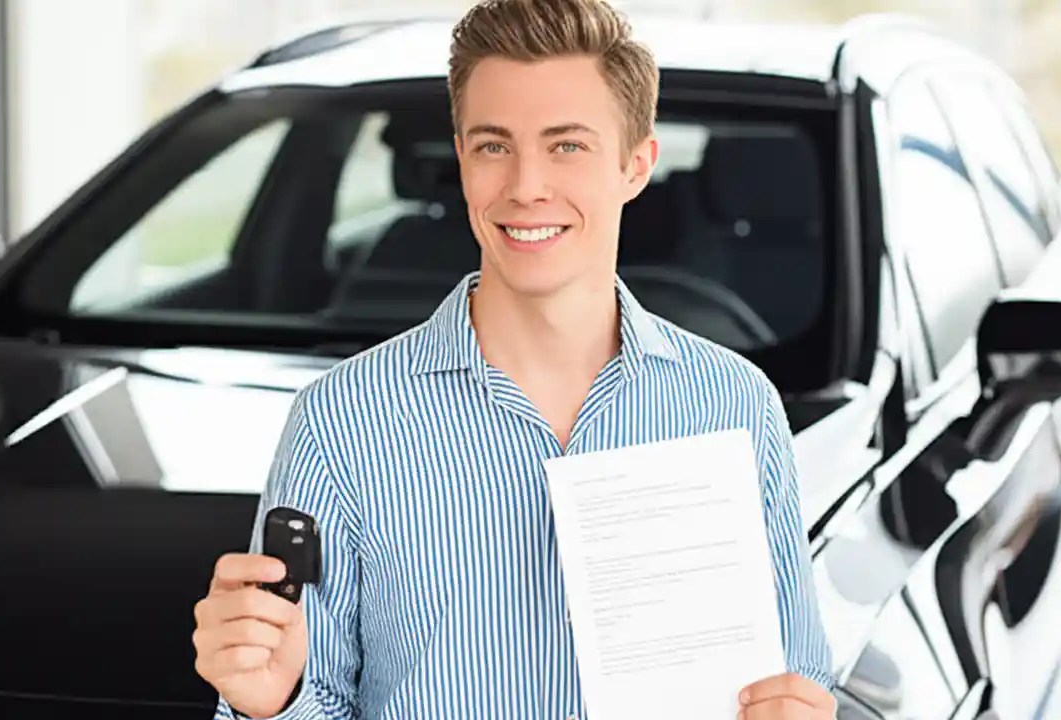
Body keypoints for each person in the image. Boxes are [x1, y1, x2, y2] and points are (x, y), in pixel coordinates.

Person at [192, 0, 835, 717]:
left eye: (567, 146)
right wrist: (269, 703)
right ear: (462, 157)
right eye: (495, 145)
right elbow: (307, 700)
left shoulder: (733, 408)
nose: (527, 186)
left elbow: (797, 677)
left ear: (635, 164)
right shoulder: (343, 424)